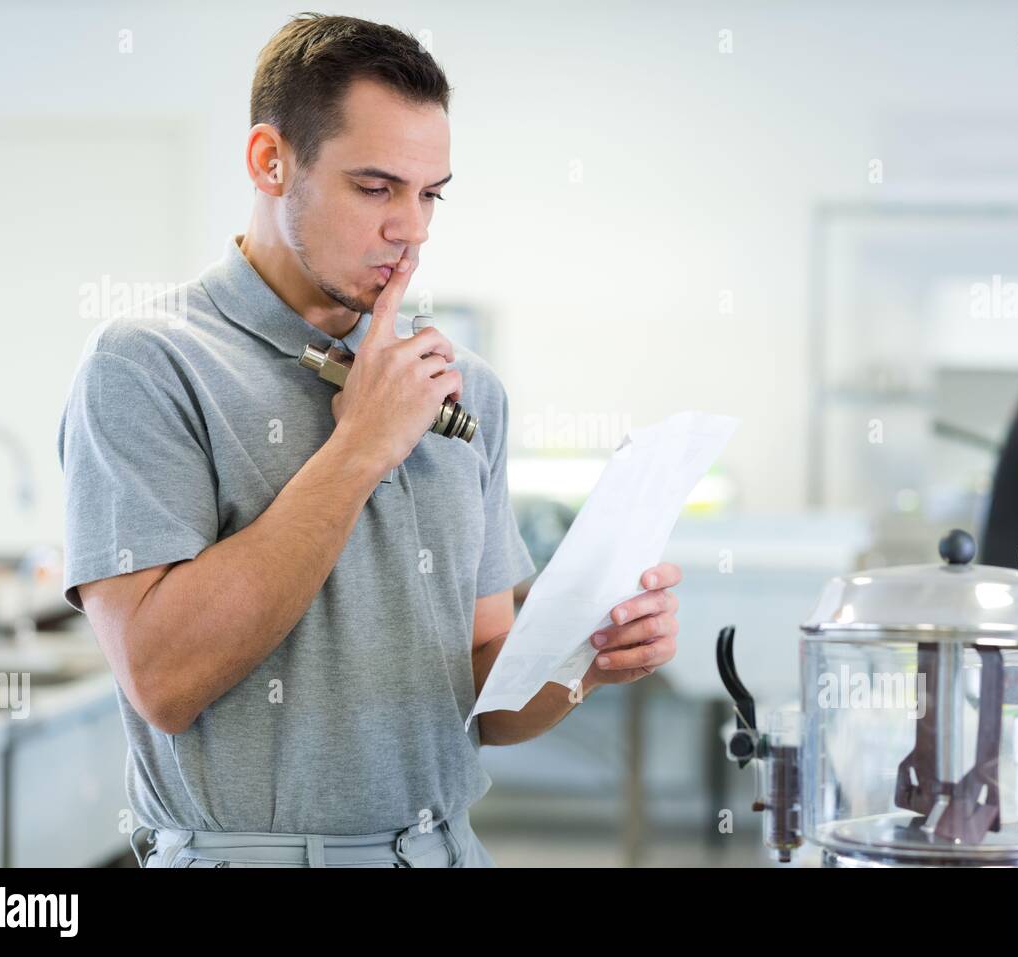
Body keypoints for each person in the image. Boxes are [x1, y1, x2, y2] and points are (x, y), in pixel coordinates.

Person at [57, 13, 682, 868]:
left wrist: (586, 658)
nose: (413, 228)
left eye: (431, 194)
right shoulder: (147, 364)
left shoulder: (463, 389)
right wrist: (359, 449)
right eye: (376, 187)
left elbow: (486, 701)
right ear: (271, 162)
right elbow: (163, 679)